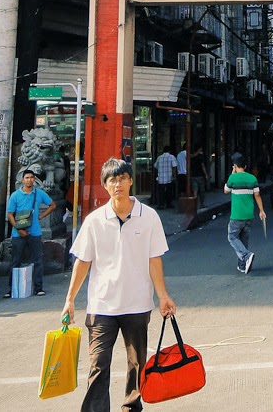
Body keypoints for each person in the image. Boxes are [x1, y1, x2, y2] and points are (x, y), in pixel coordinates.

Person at [62, 159, 175, 412]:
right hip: (102, 306)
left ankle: (131, 407)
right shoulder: (94, 221)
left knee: (137, 364)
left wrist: (163, 296)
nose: (118, 184)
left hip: (137, 304)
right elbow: (83, 261)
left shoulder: (149, 217)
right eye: (112, 180)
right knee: (98, 364)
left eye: (122, 178)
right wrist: (70, 300)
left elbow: (154, 259)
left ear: (131, 181)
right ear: (105, 185)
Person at [5, 169, 55, 298]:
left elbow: (52, 205)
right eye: (27, 177)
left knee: (37, 260)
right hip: (17, 234)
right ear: (22, 180)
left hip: (35, 232)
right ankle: (12, 288)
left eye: (32, 177)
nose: (30, 180)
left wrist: (41, 216)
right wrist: (18, 229)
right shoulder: (15, 195)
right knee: (15, 261)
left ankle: (38, 287)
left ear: (35, 180)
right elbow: (10, 214)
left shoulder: (39, 194)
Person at [224, 153, 266, 274]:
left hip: (237, 215)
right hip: (249, 215)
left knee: (232, 237)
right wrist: (261, 210)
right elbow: (257, 195)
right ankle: (242, 265)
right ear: (245, 166)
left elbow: (226, 191)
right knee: (244, 239)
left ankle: (247, 256)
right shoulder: (252, 178)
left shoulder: (233, 178)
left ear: (235, 166)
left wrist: (232, 174)